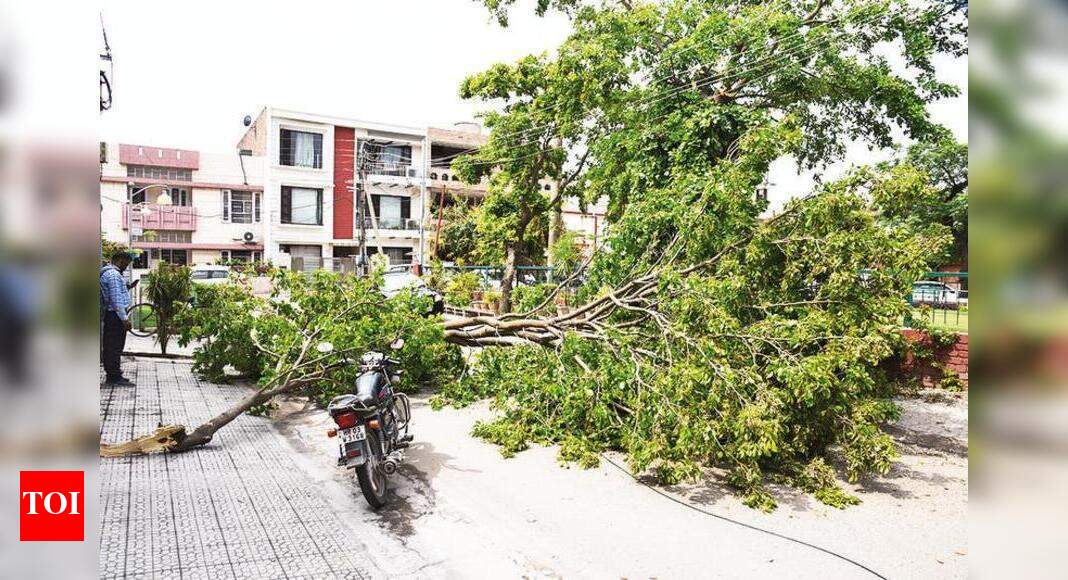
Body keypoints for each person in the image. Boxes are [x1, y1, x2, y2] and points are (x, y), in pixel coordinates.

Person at [100, 252, 136, 385]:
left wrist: (128, 287)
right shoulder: (113, 275)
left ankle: (114, 374)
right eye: (126, 263)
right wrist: (124, 319)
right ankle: (114, 376)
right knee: (114, 346)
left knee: (112, 345)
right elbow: (116, 300)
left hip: (113, 315)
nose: (126, 266)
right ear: (120, 260)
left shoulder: (110, 273)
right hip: (115, 316)